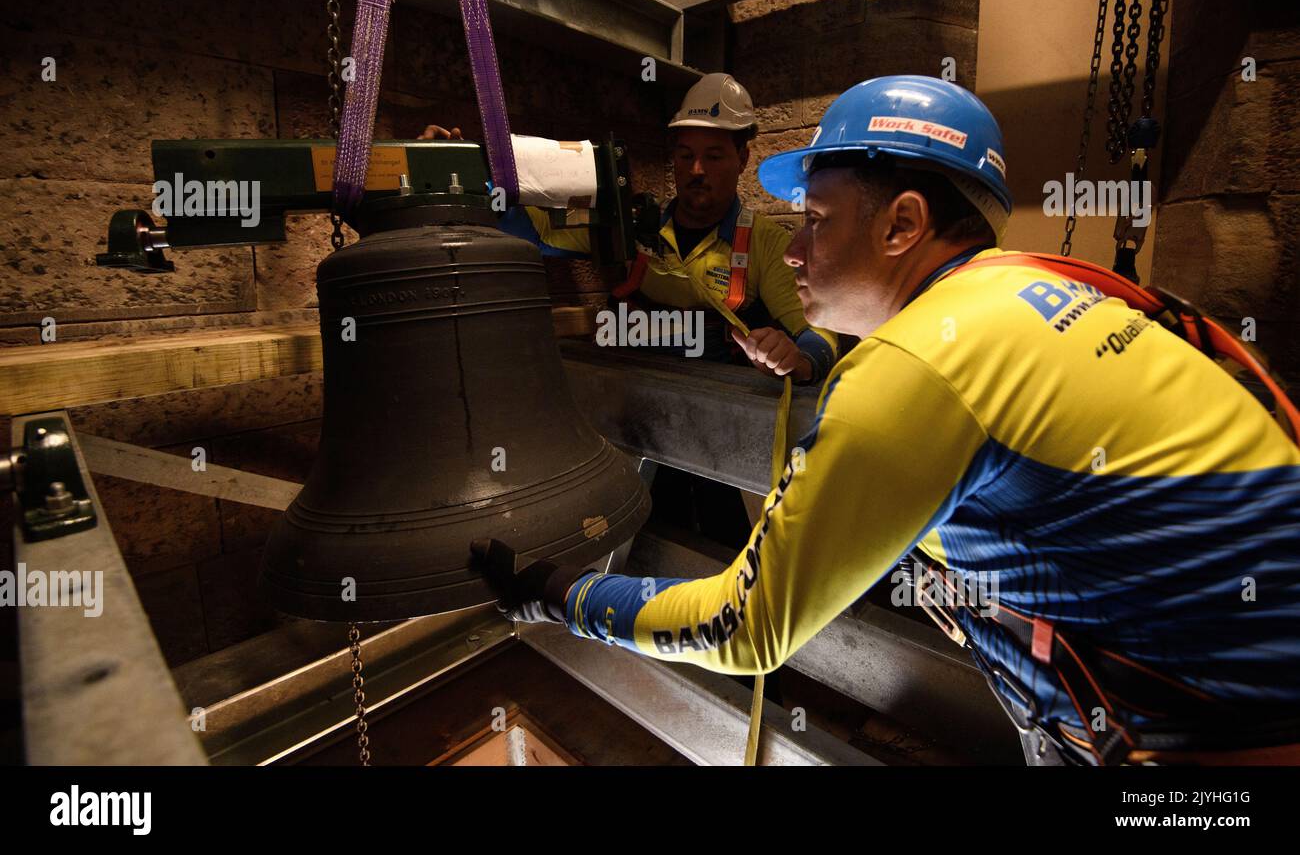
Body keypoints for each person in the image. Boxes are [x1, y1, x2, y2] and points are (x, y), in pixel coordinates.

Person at [473, 75, 1300, 765]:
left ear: (902, 223)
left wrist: (556, 593)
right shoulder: (1042, 286)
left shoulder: (917, 365)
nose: (793, 251)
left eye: (817, 220)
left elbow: (742, 629)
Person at [486, 73, 838, 383]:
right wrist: (471, 174)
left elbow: (821, 336)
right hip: (634, 403)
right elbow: (534, 232)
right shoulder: (633, 226)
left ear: (742, 159)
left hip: (720, 417)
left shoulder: (765, 245)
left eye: (713, 156)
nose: (697, 169)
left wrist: (801, 361)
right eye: (686, 156)